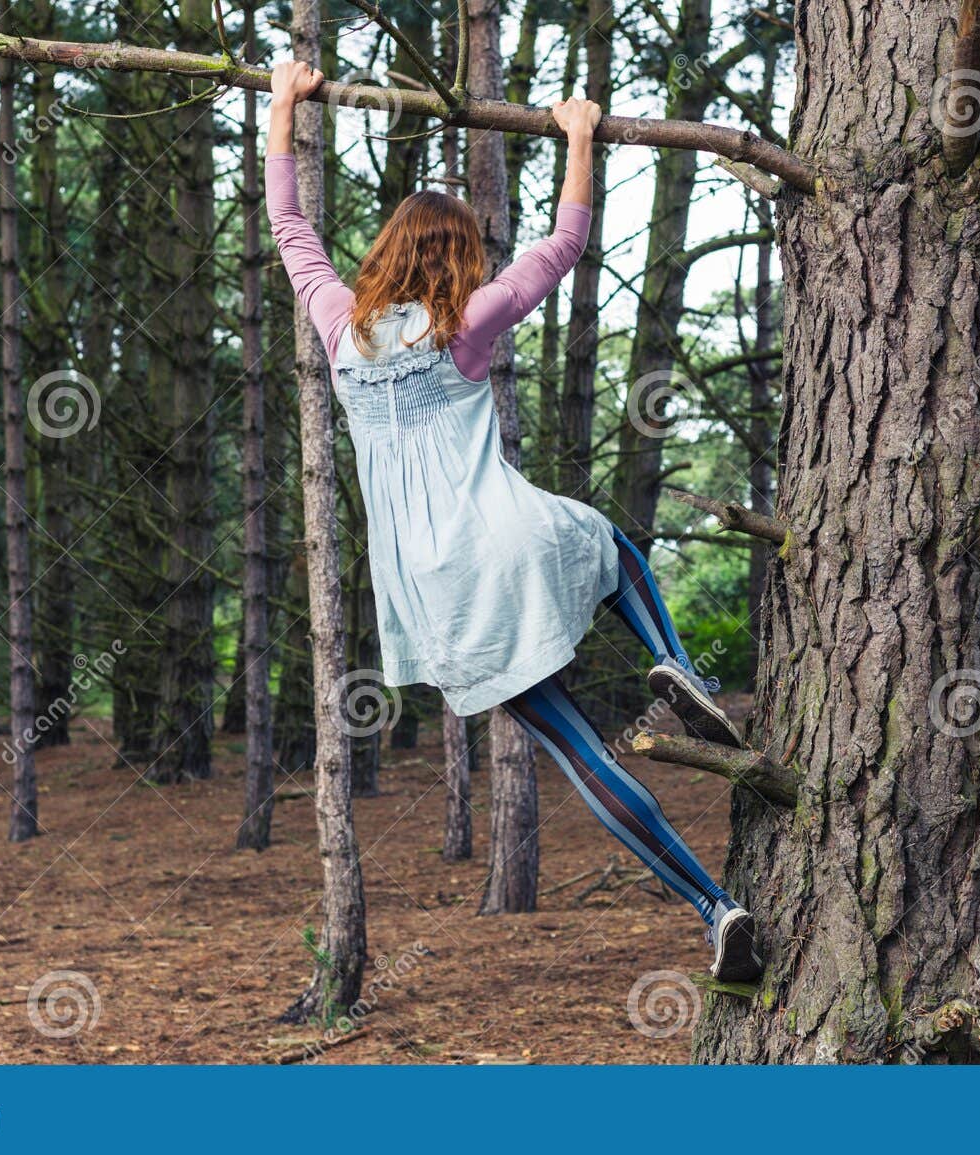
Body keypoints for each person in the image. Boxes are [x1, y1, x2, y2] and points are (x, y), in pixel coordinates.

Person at [266, 60, 761, 983]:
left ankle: (715, 905)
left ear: (383, 257)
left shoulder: (340, 328)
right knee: (611, 545)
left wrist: (284, 105)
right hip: (502, 537)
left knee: (575, 746)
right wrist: (578, 133)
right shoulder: (468, 321)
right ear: (457, 259)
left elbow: (290, 227)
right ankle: (679, 669)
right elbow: (563, 244)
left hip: (432, 596)